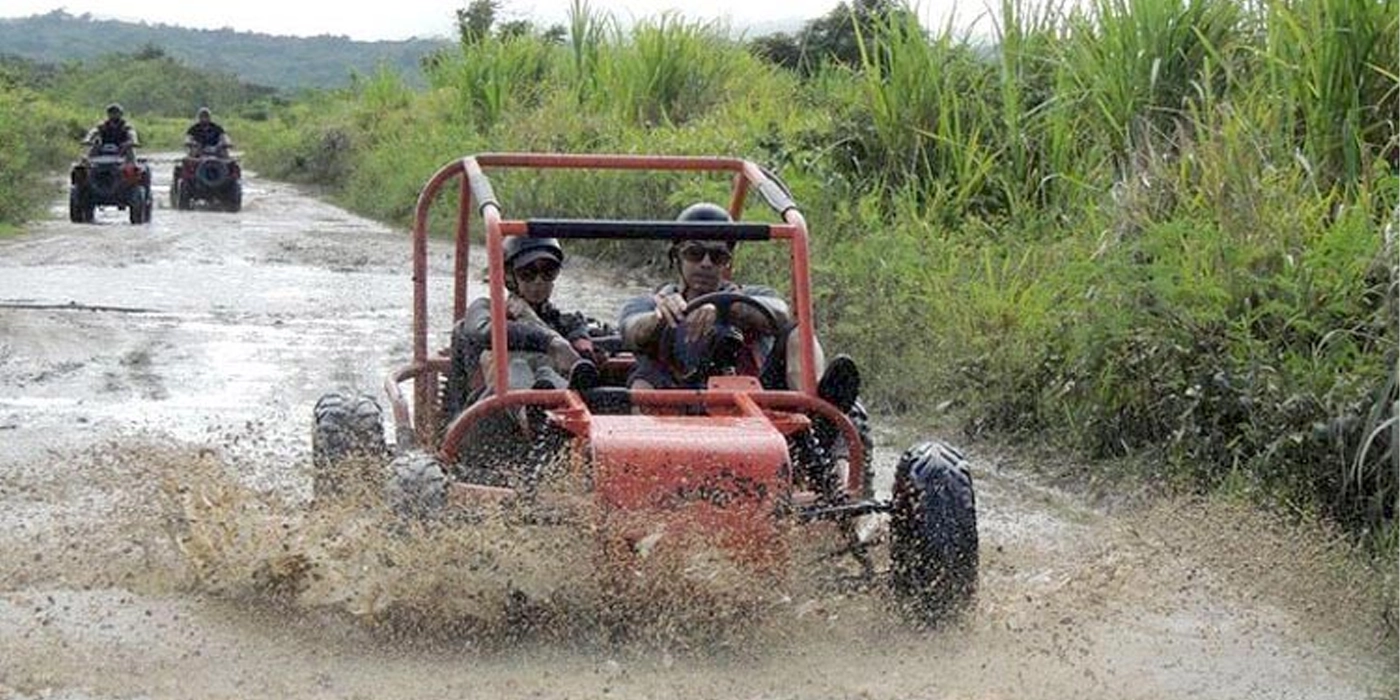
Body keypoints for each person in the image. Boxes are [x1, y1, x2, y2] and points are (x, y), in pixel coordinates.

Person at [617, 201, 864, 488]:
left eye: (717, 256)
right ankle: (647, 477)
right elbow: (631, 332)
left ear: (728, 262)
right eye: (694, 253)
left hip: (761, 406)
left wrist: (725, 307)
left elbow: (780, 314)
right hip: (679, 407)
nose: (706, 263)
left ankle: (813, 420)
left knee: (799, 333)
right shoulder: (650, 304)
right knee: (641, 385)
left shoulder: (752, 297)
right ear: (677, 257)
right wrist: (662, 318)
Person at [444, 236, 602, 419]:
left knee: (546, 372)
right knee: (516, 366)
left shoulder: (566, 322)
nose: (538, 281)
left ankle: (556, 417)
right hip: (484, 417)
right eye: (527, 272)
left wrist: (583, 350)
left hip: (556, 408)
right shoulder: (485, 310)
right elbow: (485, 330)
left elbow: (581, 349)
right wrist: (550, 342)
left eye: (548, 271)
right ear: (510, 277)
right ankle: (529, 416)